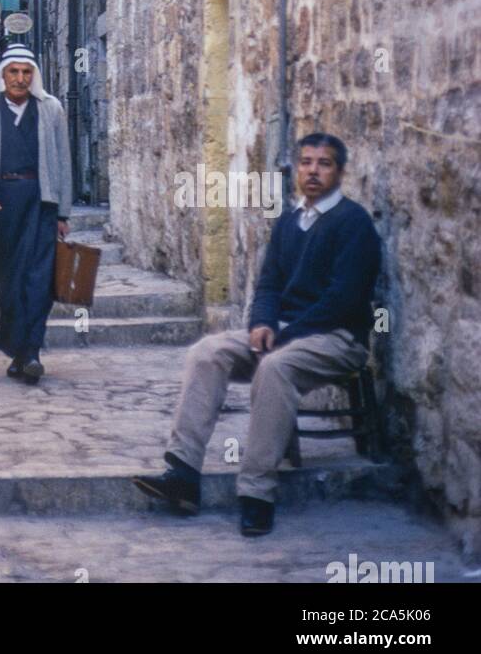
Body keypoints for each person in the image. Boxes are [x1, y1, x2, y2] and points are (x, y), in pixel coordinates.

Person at [133, 133, 381, 537]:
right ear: (297, 168)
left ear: (340, 171)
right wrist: (262, 325)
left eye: (324, 163)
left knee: (276, 368)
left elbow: (342, 299)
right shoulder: (289, 221)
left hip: (336, 339)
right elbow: (268, 285)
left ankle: (257, 493)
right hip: (286, 333)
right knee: (207, 351)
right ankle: (182, 473)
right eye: (306, 162)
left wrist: (283, 336)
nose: (313, 171)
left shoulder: (354, 224)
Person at [0, 45, 72, 383]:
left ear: (33, 76)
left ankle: (31, 351)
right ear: (2, 74)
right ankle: (19, 349)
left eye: (26, 73)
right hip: (0, 204)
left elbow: (63, 160)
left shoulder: (51, 110)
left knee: (39, 279)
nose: (20, 79)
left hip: (40, 201)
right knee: (7, 282)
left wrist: (62, 211)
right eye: (14, 72)